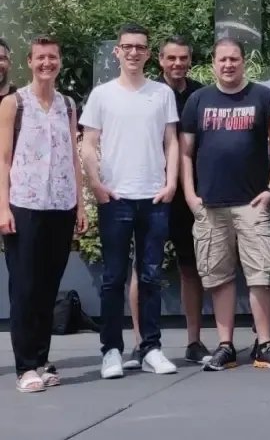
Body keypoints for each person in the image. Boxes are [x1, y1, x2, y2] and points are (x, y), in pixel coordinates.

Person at [80, 22, 180, 380]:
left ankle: (150, 346)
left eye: (140, 47)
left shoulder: (161, 94)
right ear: (117, 51)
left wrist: (170, 184)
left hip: (154, 196)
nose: (134, 52)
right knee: (113, 277)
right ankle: (111, 351)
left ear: (148, 53)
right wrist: (96, 185)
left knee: (151, 276)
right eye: (128, 46)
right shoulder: (102, 95)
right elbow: (89, 143)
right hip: (116, 197)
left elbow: (172, 141)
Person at [180, 38, 270, 371]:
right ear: (213, 63)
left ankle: (264, 344)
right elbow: (185, 153)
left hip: (252, 203)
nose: (228, 65)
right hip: (210, 204)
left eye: (234, 59)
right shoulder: (198, 100)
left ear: (243, 62)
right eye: (222, 59)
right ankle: (225, 345)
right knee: (218, 276)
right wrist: (191, 195)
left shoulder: (263, 98)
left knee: (261, 273)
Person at [0, 36, 88, 393]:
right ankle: (25, 366)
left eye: (52, 57)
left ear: (60, 61)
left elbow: (73, 156)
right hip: (24, 204)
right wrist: (3, 206)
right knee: (24, 286)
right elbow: (3, 158)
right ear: (29, 62)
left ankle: (41, 358)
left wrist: (80, 204)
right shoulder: (12, 103)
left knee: (48, 286)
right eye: (40, 58)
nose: (46, 63)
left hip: (60, 204)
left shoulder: (67, 104)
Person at [127, 36, 208, 368]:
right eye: (171, 58)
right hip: (151, 192)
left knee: (192, 269)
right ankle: (139, 343)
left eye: (183, 58)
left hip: (189, 195)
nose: (177, 63)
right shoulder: (144, 92)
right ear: (159, 60)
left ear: (190, 60)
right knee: (143, 269)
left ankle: (194, 341)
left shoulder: (202, 94)